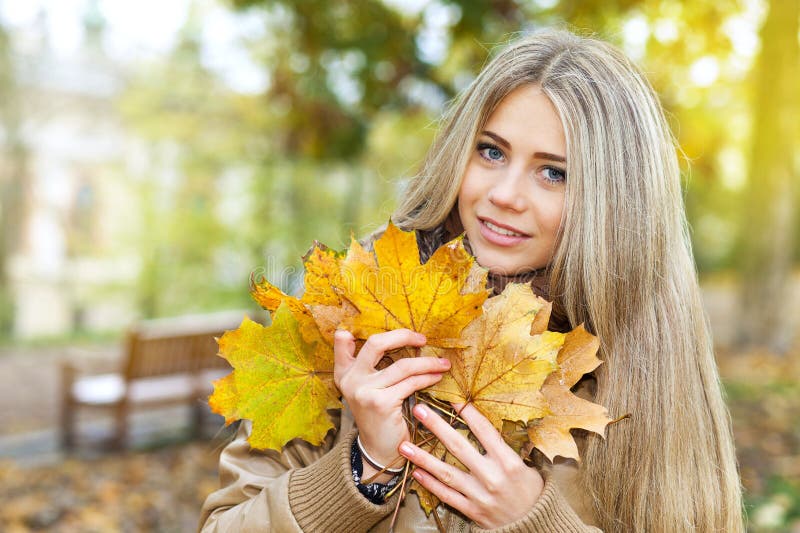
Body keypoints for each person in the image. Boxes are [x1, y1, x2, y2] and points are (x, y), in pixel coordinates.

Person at [199, 28, 744, 532]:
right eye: (491, 151)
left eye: (554, 172)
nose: (504, 194)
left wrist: (536, 521)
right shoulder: (355, 315)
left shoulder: (645, 372)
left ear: (616, 203)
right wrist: (362, 470)